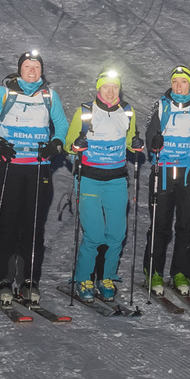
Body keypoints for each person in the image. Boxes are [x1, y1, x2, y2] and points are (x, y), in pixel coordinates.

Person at [0, 50, 71, 307]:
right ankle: (2, 280)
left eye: (36, 66)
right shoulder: (3, 93)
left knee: (34, 226)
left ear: (41, 70)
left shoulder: (49, 96)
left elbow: (61, 125)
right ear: (19, 69)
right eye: (27, 66)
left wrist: (56, 143)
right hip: (8, 167)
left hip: (38, 168)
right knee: (9, 224)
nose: (32, 70)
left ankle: (29, 281)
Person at [61, 69, 141, 305]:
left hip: (117, 181)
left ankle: (106, 278)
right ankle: (84, 278)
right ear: (98, 89)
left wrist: (135, 143)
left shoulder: (127, 111)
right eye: (106, 87)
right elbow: (68, 146)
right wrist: (76, 145)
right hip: (89, 181)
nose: (110, 91)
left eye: (114, 87)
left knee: (116, 235)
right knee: (94, 235)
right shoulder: (85, 112)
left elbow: (129, 141)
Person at [144, 67, 190, 299]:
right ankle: (153, 271)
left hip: (189, 173)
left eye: (183, 82)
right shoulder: (161, 106)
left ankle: (181, 273)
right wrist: (153, 142)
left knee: (186, 226)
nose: (178, 86)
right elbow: (150, 135)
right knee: (160, 225)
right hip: (163, 172)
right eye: (175, 82)